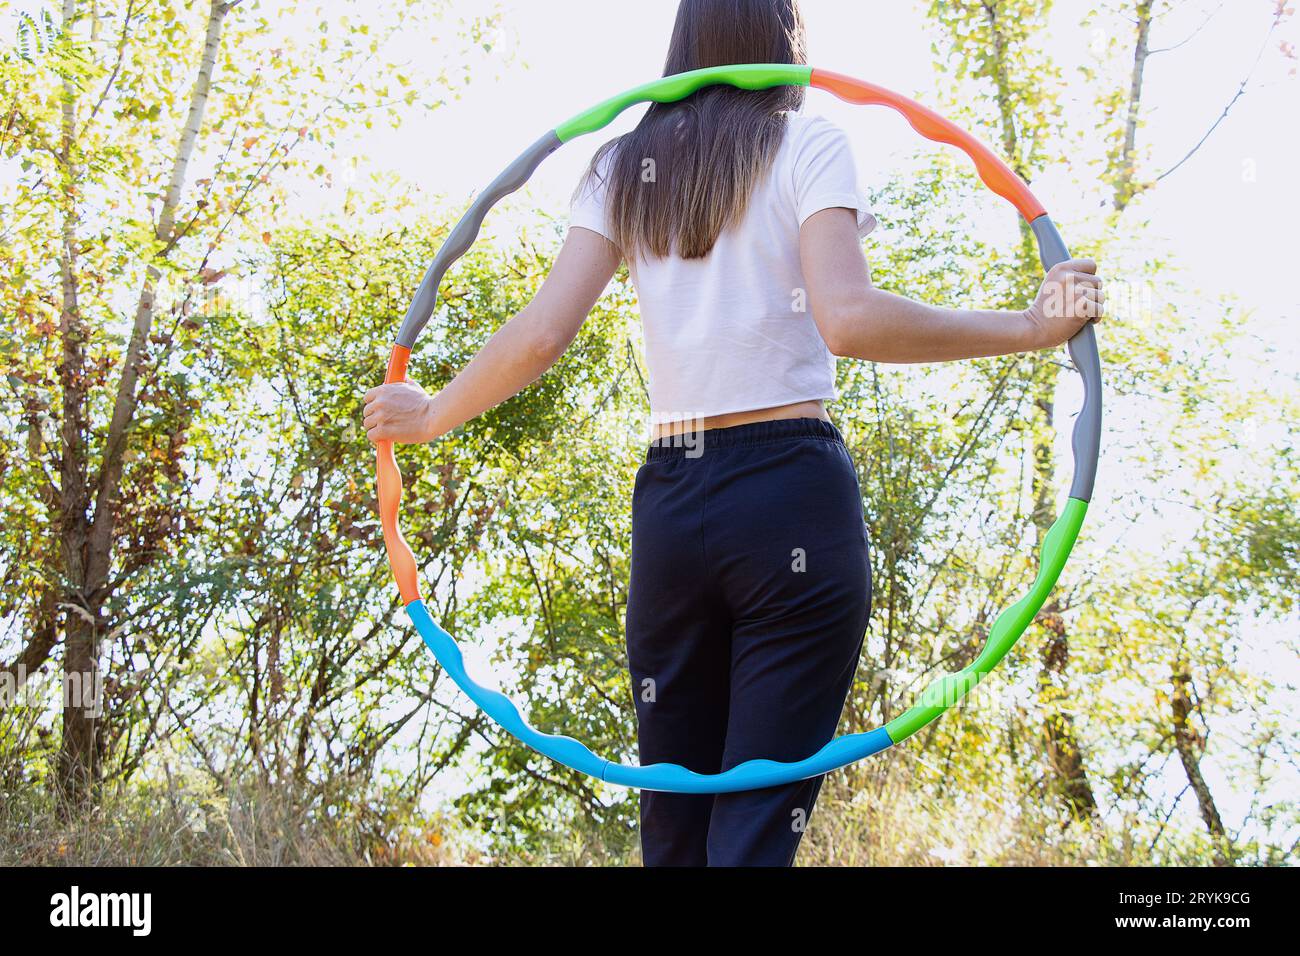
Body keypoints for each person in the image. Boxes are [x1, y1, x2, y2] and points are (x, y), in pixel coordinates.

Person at [362, 0, 1104, 867]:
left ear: (683, 41)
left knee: (674, 829)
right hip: (792, 498)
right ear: (785, 40)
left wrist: (434, 412)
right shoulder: (808, 142)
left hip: (672, 508)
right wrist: (1028, 329)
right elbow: (850, 321)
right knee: (752, 829)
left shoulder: (620, 164)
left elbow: (540, 333)